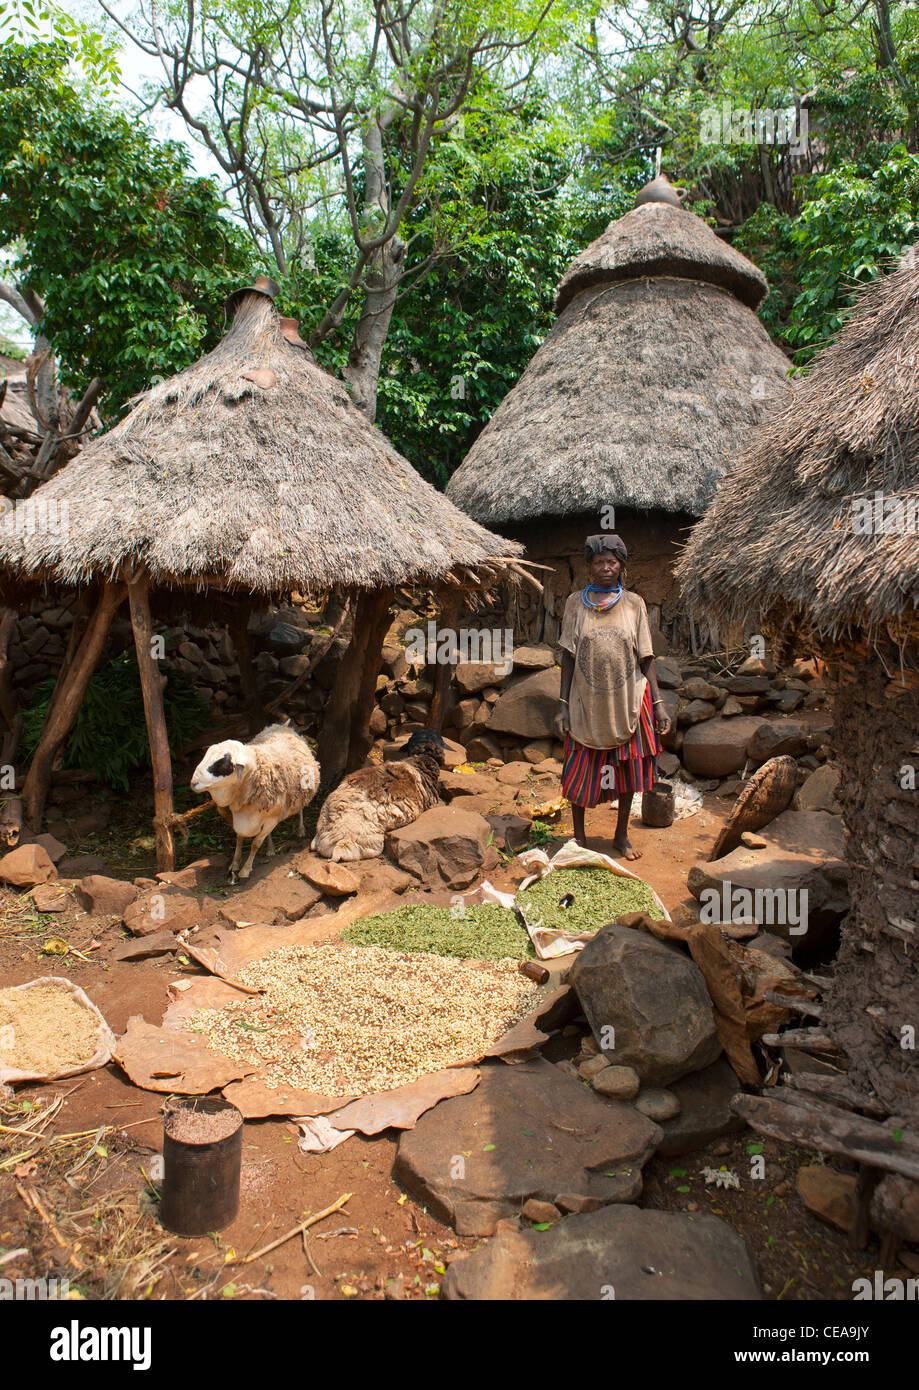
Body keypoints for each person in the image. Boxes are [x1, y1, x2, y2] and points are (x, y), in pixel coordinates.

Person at [554, 533, 671, 860]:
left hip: (629, 702)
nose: (605, 567)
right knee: (579, 770)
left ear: (621, 566)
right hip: (585, 704)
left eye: (612, 562)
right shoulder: (575, 603)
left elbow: (646, 657)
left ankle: (621, 835)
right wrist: (562, 706)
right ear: (589, 566)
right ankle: (579, 836)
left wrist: (659, 704)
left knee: (627, 770)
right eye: (599, 562)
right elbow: (567, 656)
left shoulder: (634, 604)